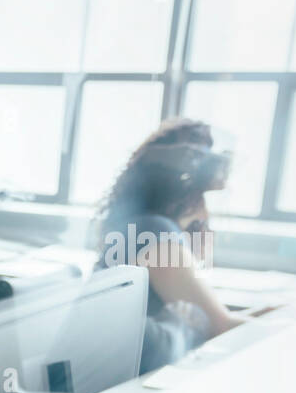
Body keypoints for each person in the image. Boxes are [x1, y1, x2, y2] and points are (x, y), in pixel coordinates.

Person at [94, 118, 244, 374]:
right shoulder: (155, 232)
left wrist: (273, 315)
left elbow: (213, 317)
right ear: (188, 190)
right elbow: (219, 326)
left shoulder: (145, 225)